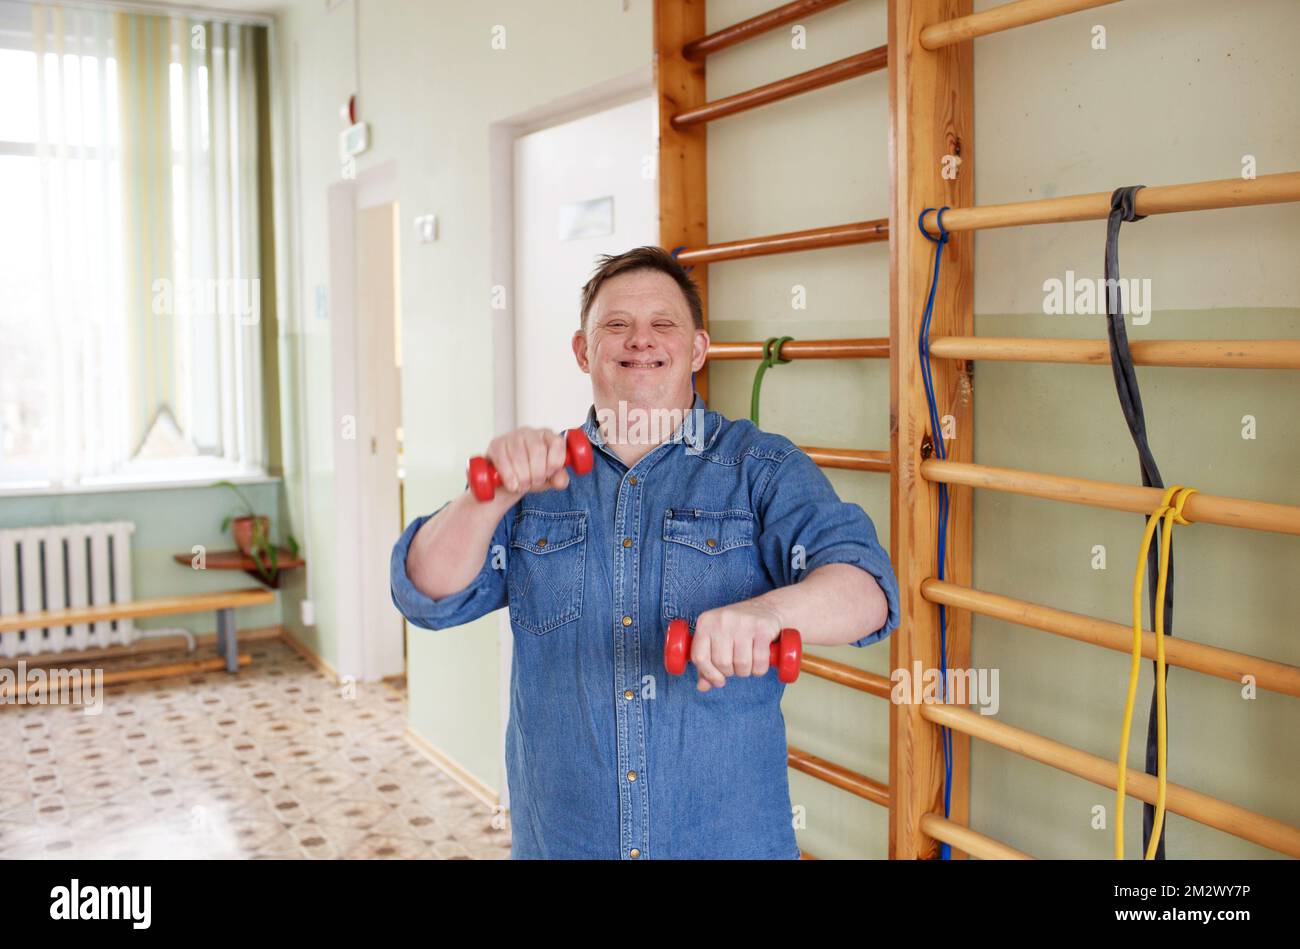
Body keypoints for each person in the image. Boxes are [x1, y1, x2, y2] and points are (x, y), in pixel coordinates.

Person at [390, 245, 900, 859]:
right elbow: (424, 594)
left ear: (698, 349)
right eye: (616, 325)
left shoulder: (760, 467)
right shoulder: (533, 478)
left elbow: (868, 589)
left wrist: (770, 614)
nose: (640, 340)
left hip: (729, 843)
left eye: (663, 324)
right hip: (565, 842)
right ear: (583, 350)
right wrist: (486, 498)